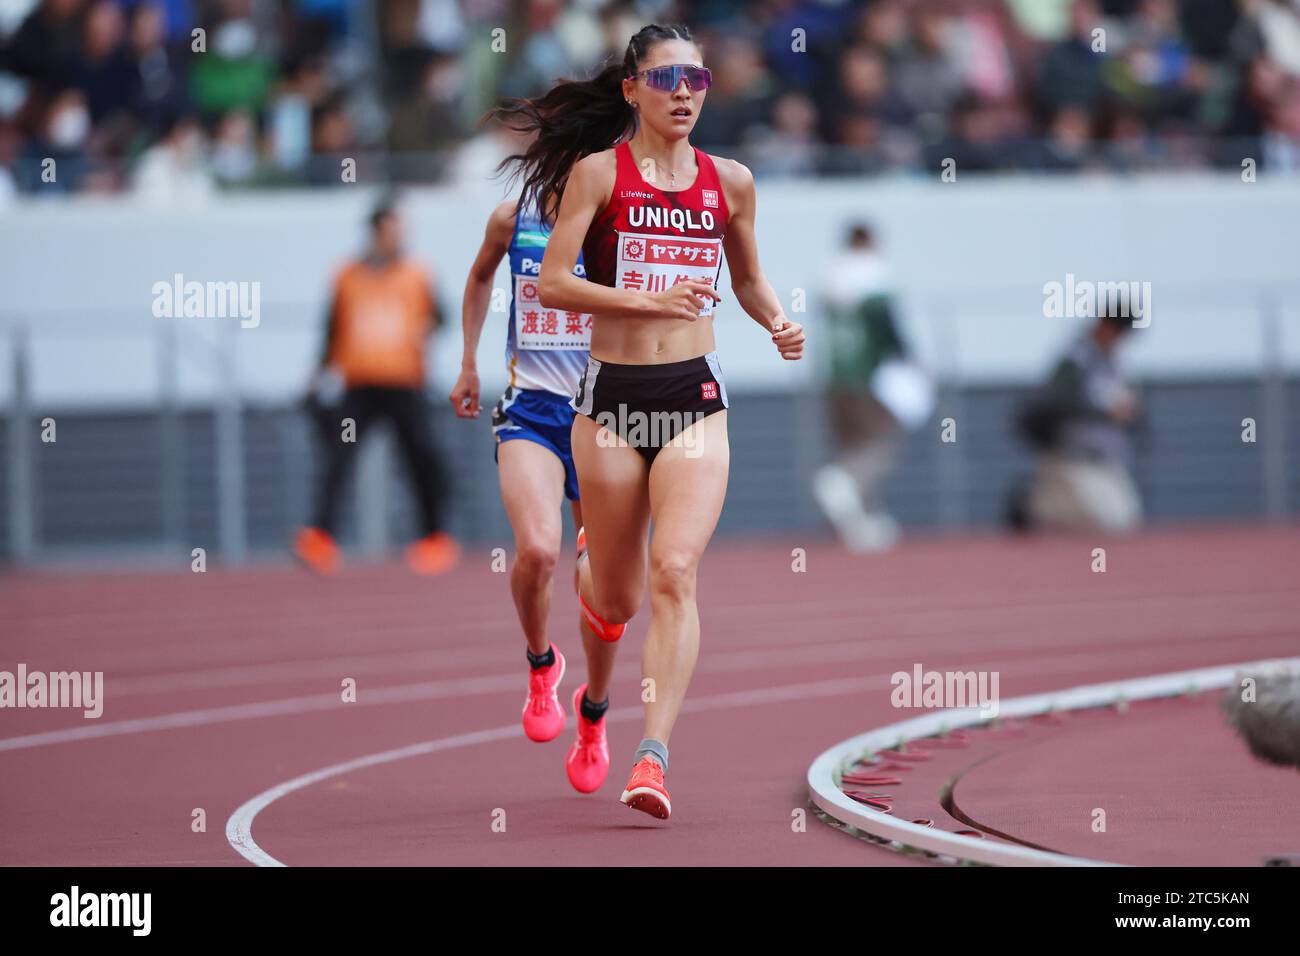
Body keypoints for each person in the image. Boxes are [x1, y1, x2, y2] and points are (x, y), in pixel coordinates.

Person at [494, 23, 805, 819]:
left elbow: (751, 278)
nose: (682, 95)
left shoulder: (731, 181)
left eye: (695, 81)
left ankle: (653, 755)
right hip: (608, 403)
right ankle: (592, 705)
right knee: (618, 597)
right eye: (666, 80)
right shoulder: (598, 175)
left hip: (693, 395)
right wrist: (643, 300)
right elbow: (555, 284)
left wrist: (776, 320)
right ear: (632, 89)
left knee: (676, 572)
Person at [449, 196, 591, 744]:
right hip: (529, 409)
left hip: (602, 416)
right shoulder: (514, 217)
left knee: (600, 582)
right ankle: (541, 662)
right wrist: (467, 361)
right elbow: (481, 275)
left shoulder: (612, 212)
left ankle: (595, 709)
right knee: (536, 549)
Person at [294, 199, 459, 574]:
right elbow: (331, 329)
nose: (398, 237)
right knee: (338, 456)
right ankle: (319, 538)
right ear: (375, 232)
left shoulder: (418, 274)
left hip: (405, 383)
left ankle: (434, 537)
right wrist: (317, 374)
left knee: (422, 457)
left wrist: (424, 333)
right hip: (360, 384)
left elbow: (441, 317)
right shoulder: (347, 275)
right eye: (391, 229)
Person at [812, 222, 927, 552]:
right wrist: (907, 360)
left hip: (836, 375)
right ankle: (841, 479)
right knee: (879, 444)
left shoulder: (831, 275)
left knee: (850, 444)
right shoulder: (873, 274)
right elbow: (884, 324)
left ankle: (861, 524)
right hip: (869, 375)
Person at [1017, 309, 1143, 533]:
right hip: (1072, 459)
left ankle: (1047, 502)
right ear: (1106, 327)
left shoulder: (1115, 363)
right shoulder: (1076, 359)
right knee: (1102, 521)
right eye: (1119, 334)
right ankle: (1033, 504)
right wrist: (1105, 413)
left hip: (1106, 460)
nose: (1120, 342)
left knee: (1125, 519)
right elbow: (1059, 403)